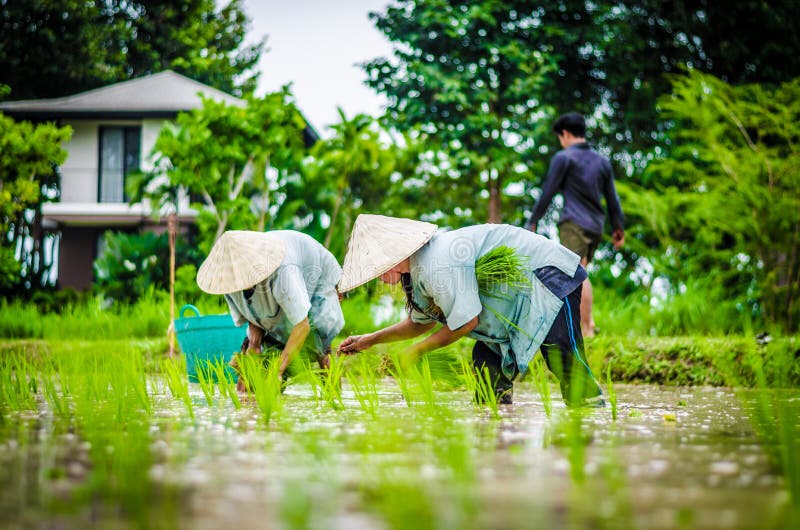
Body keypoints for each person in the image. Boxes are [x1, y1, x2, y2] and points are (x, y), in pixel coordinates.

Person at [337, 214, 603, 407]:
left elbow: (466, 323)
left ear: (392, 260)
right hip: (509, 304)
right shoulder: (417, 271)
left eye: (377, 269)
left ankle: (592, 440)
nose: (377, 277)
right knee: (487, 375)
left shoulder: (437, 263)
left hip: (548, 275)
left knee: (563, 359)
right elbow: (421, 323)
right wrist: (369, 340)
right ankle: (499, 454)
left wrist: (415, 351)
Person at [196, 230, 344, 390]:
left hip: (317, 274)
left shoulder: (283, 272)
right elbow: (253, 320)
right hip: (281, 291)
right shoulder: (228, 282)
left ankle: (335, 400)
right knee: (252, 370)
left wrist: (277, 371)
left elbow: (303, 325)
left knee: (320, 343)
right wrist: (253, 351)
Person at [524, 112, 625, 337]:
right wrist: (618, 227)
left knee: (577, 272)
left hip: (574, 222)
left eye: (560, 138)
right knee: (580, 268)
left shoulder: (564, 158)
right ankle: (585, 325)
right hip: (596, 226)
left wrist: (532, 221)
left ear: (566, 134)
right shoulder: (602, 161)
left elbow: (548, 192)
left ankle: (587, 326)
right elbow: (612, 197)